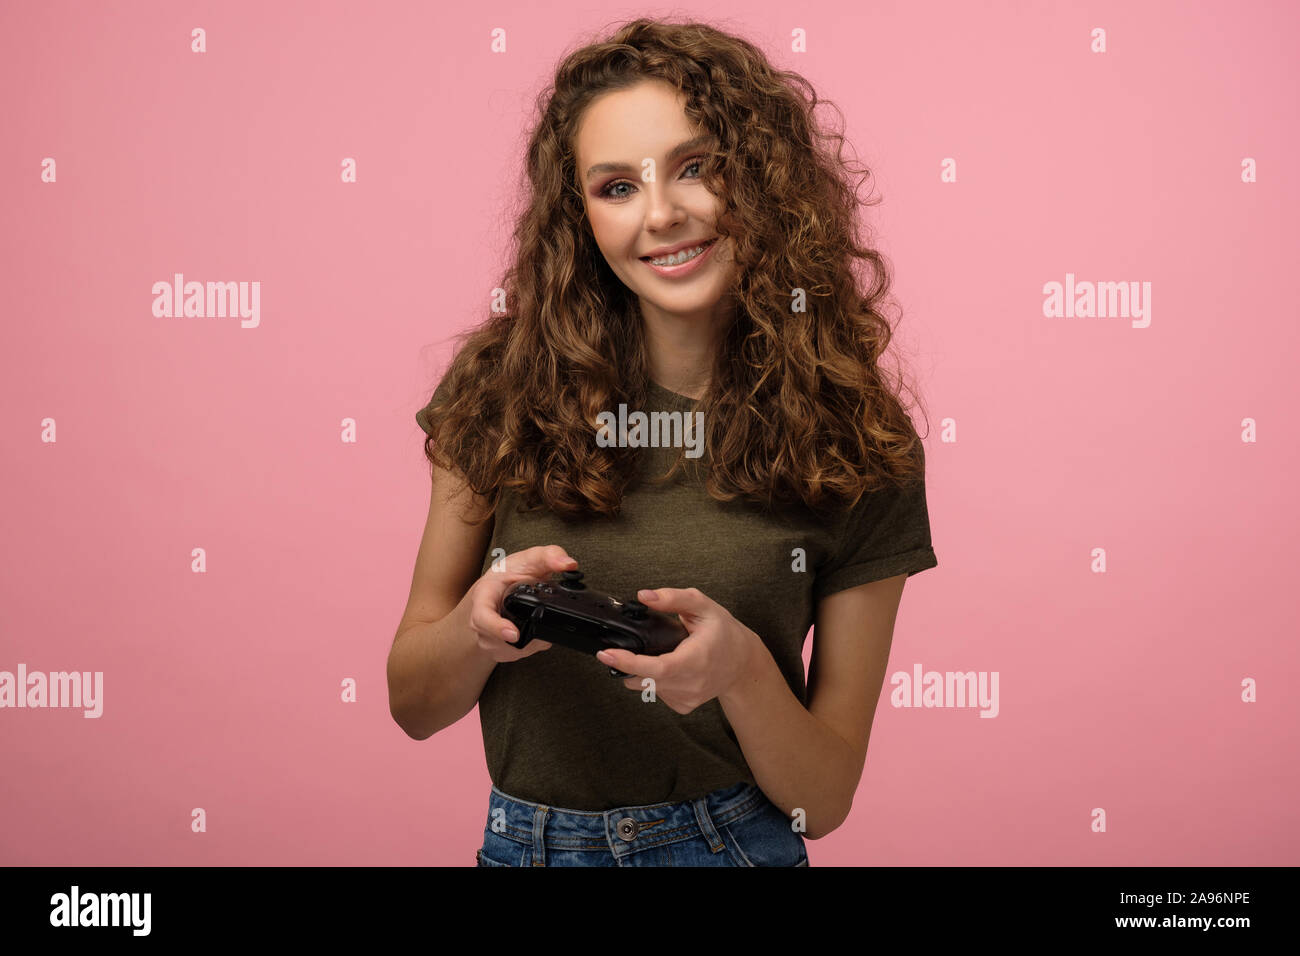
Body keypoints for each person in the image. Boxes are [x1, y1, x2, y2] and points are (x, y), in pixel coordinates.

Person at [388, 17, 938, 867]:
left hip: (730, 847)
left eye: (697, 168)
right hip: (523, 847)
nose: (663, 215)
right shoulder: (501, 387)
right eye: (616, 187)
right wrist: (477, 626)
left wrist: (743, 672)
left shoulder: (854, 439)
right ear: (580, 219)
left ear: (761, 180)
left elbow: (822, 801)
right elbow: (413, 701)